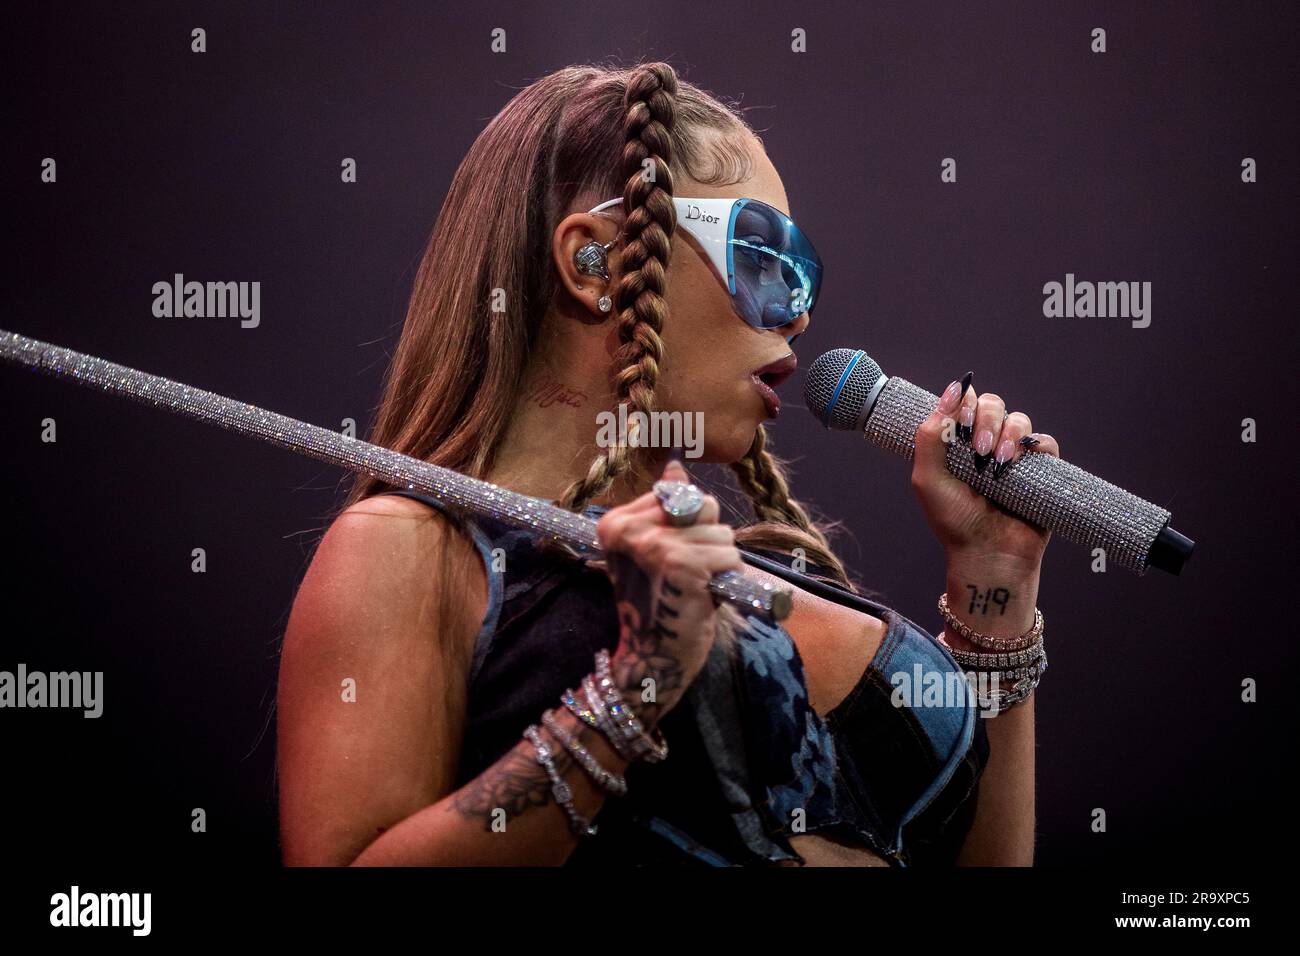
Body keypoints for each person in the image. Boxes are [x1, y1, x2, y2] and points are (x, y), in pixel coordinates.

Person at [276, 62, 1058, 867]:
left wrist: (993, 584)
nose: (799, 309)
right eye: (763, 255)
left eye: (803, 270)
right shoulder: (411, 551)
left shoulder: (745, 568)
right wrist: (636, 684)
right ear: (599, 264)